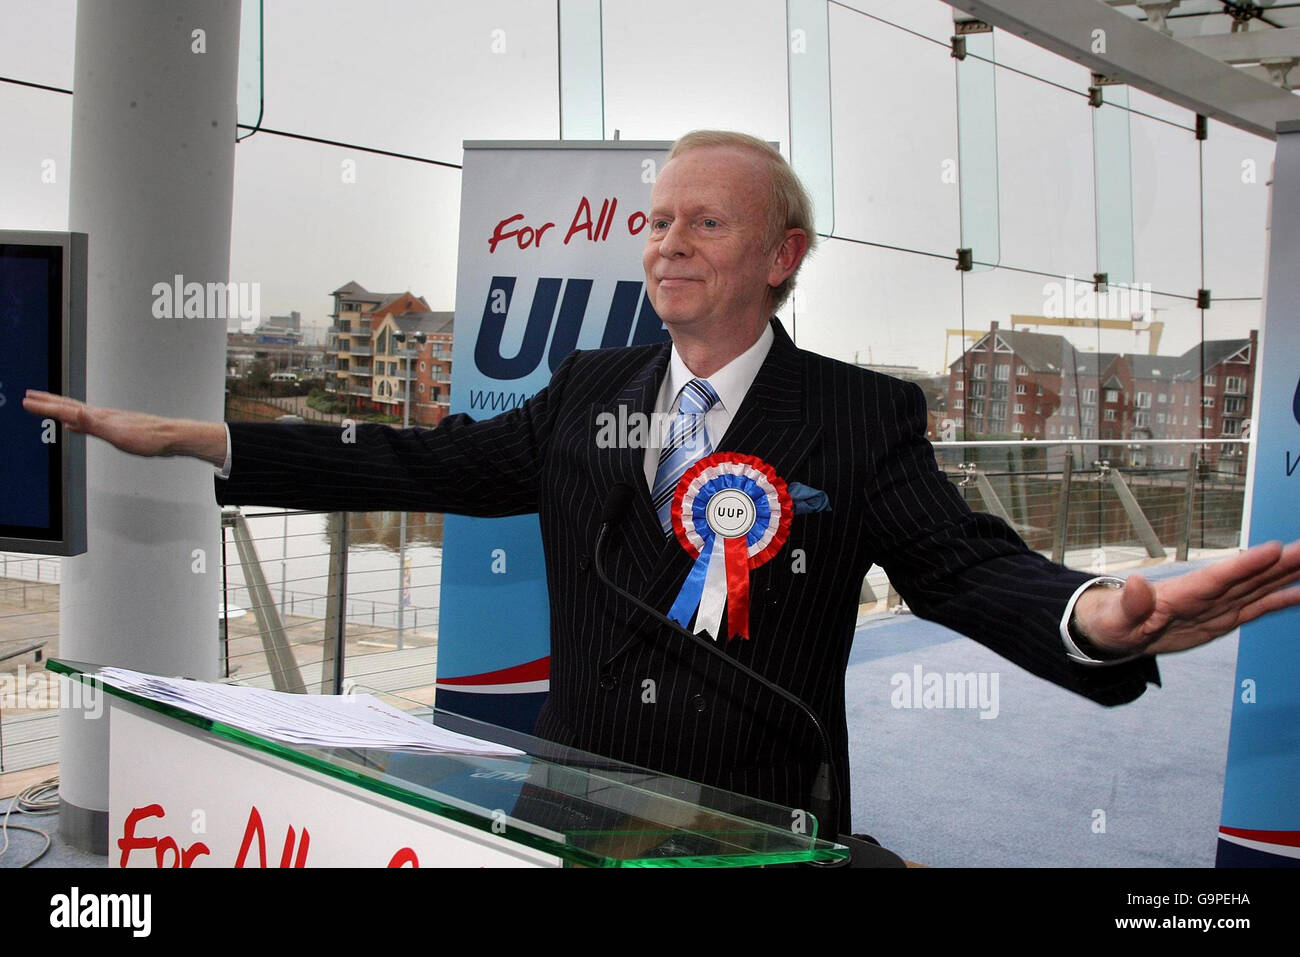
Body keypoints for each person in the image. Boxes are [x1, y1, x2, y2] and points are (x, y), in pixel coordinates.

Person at [24, 130, 1300, 836]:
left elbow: (962, 565)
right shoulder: (586, 389)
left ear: (781, 257)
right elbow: (421, 461)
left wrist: (1091, 617)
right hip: (568, 803)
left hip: (758, 819)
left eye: (705, 221)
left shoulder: (858, 414)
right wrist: (205, 438)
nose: (665, 242)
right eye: (656, 220)